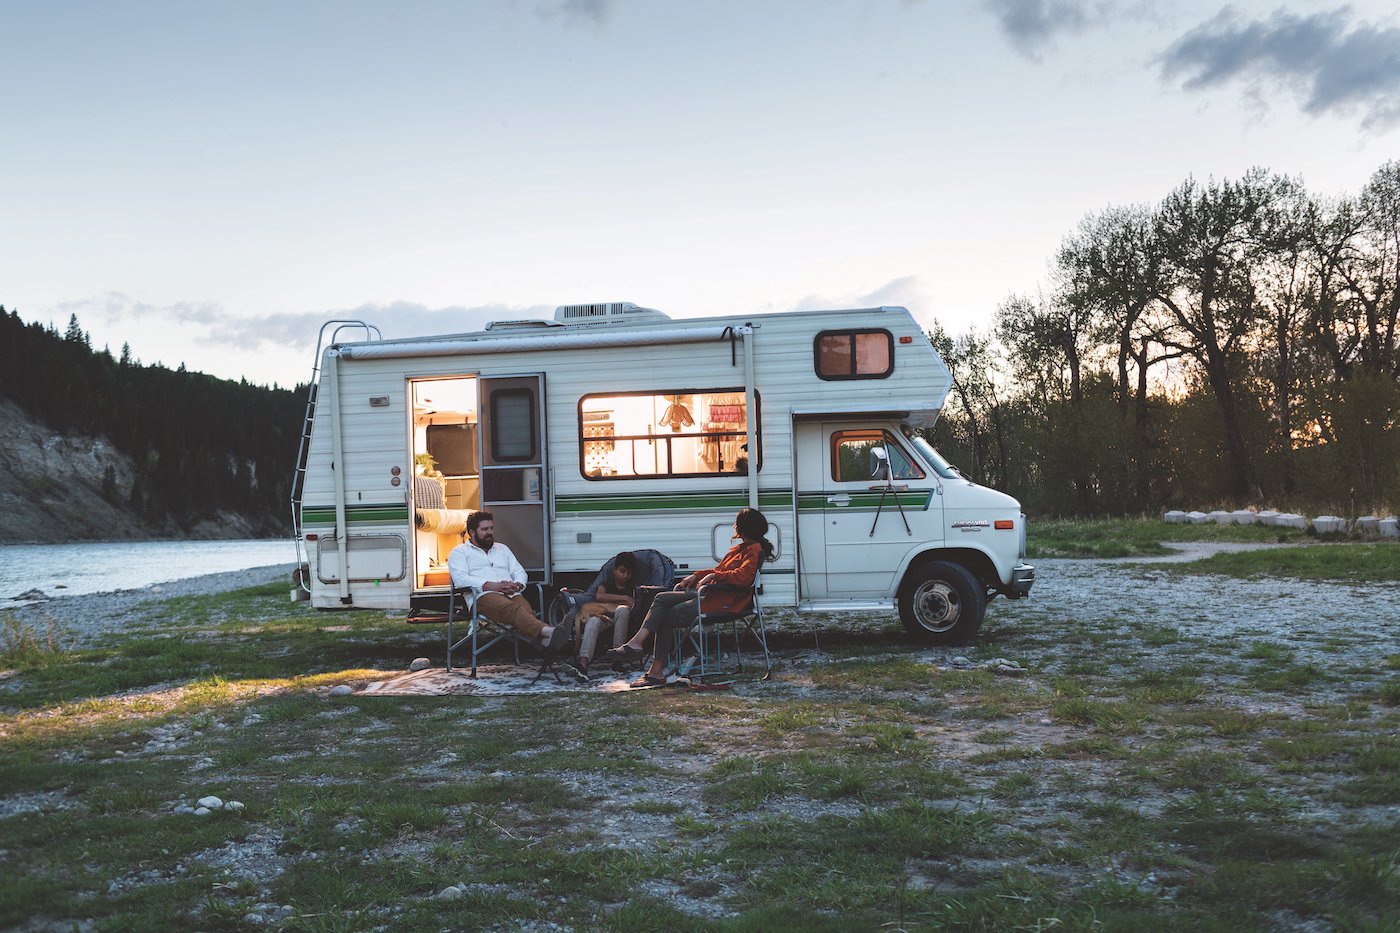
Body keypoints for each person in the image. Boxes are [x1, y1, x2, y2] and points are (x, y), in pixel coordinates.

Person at [603, 508, 772, 687]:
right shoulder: (739, 549)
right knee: (661, 598)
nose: (734, 526)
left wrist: (714, 576)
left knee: (667, 616)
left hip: (727, 602)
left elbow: (743, 577)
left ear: (744, 527)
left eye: (737, 523)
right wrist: (696, 576)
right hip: (714, 594)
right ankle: (637, 643)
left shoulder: (754, 549)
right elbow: (719, 571)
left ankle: (656, 671)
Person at [447, 511, 572, 651]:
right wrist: (490, 586)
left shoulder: (502, 549)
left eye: (491, 528)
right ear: (472, 532)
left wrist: (517, 584)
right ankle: (550, 631)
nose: (489, 532)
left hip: (511, 593)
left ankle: (546, 642)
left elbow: (519, 572)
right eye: (484, 529)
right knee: (515, 611)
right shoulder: (460, 552)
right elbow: (460, 579)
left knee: (527, 612)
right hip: (482, 596)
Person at [568, 551, 638, 677]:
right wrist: (623, 598)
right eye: (622, 571)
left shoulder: (632, 588)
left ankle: (617, 658)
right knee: (593, 621)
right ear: (614, 571)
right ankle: (583, 663)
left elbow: (633, 605)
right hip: (602, 617)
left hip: (621, 619)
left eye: (629, 573)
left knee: (622, 610)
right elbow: (599, 596)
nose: (625, 576)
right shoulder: (606, 583)